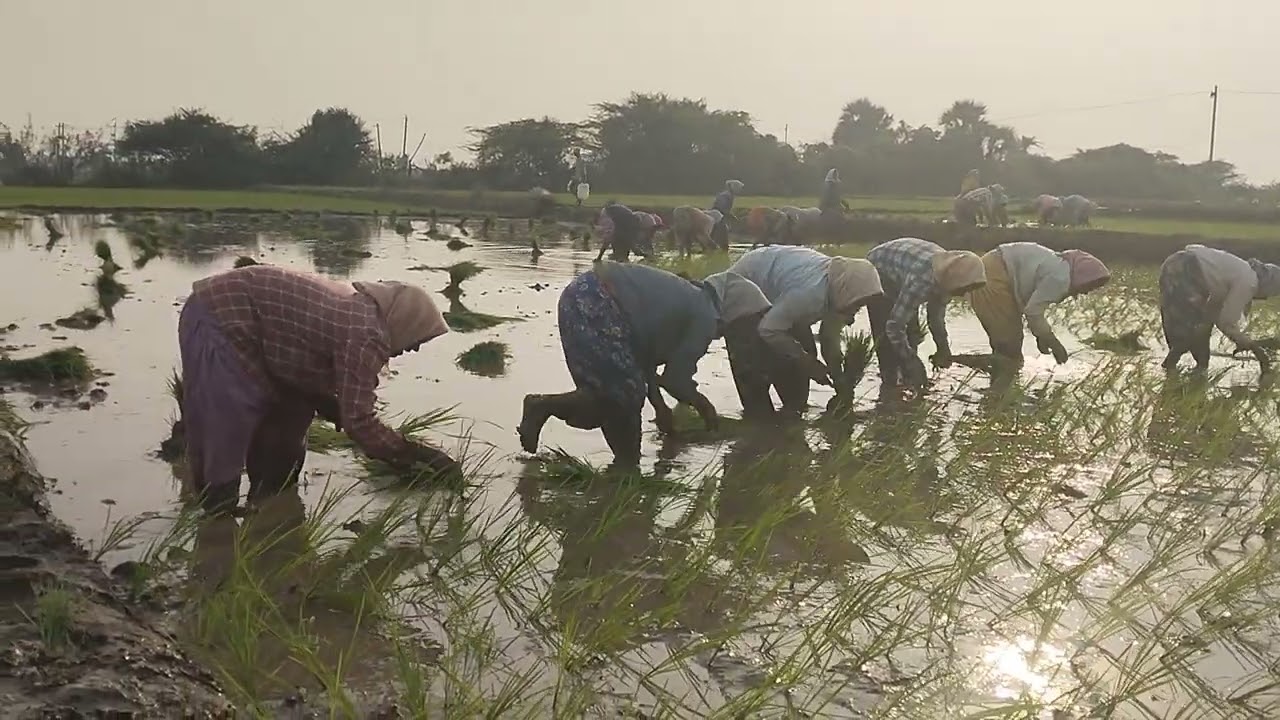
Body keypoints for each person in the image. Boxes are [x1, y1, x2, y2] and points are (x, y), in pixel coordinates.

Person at [179, 265, 458, 513]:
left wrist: (330, 404)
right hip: (220, 314)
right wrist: (415, 454)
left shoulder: (362, 316)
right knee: (226, 421)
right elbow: (360, 422)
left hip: (269, 341)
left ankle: (271, 510)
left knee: (289, 424)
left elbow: (306, 355)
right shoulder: (366, 333)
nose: (415, 347)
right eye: (419, 337)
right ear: (406, 321)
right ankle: (218, 516)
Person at [518, 261, 769, 466]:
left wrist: (659, 406)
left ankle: (625, 467)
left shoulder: (691, 299)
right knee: (621, 394)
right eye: (747, 322)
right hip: (598, 299)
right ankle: (543, 406)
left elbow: (642, 357)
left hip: (584, 295)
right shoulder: (705, 316)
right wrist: (703, 406)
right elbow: (676, 380)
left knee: (614, 394)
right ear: (738, 310)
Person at [724, 246, 883, 418]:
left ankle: (792, 411)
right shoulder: (811, 294)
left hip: (779, 298)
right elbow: (768, 329)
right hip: (742, 293)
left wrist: (840, 381)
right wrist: (807, 363)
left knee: (800, 377)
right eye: (857, 304)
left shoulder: (838, 293)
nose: (855, 313)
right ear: (849, 290)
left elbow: (829, 339)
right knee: (755, 375)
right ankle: (760, 421)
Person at [866, 237, 986, 389]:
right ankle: (890, 383)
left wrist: (943, 348)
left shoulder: (948, 274)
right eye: (963, 289)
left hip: (906, 265)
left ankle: (908, 379)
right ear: (955, 279)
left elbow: (935, 318)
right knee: (885, 333)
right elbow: (894, 326)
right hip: (878, 267)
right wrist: (912, 361)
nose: (963, 294)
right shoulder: (921, 281)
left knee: (913, 332)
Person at [967, 242, 1111, 363]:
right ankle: (963, 364)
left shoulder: (1060, 267)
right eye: (1090, 285)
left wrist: (1040, 336)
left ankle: (991, 376)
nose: (1086, 292)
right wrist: (1052, 341)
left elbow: (1032, 306)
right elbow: (1033, 311)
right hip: (993, 274)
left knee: (1007, 344)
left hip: (993, 266)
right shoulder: (1061, 278)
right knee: (1009, 348)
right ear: (1083, 275)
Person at [1158, 244, 1280, 374]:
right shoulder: (1249, 281)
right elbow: (1227, 321)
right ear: (1269, 286)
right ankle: (1173, 367)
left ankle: (1191, 367)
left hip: (1175, 263)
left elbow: (1214, 316)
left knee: (1198, 324)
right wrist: (1249, 344)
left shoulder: (1236, 274)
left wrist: (1238, 339)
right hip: (1185, 269)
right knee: (1193, 325)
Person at [709, 179, 744, 250]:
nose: (740, 191)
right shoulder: (726, 196)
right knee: (722, 233)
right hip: (717, 215)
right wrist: (731, 216)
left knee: (716, 233)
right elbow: (721, 208)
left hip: (717, 215)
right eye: (739, 188)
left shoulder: (727, 195)